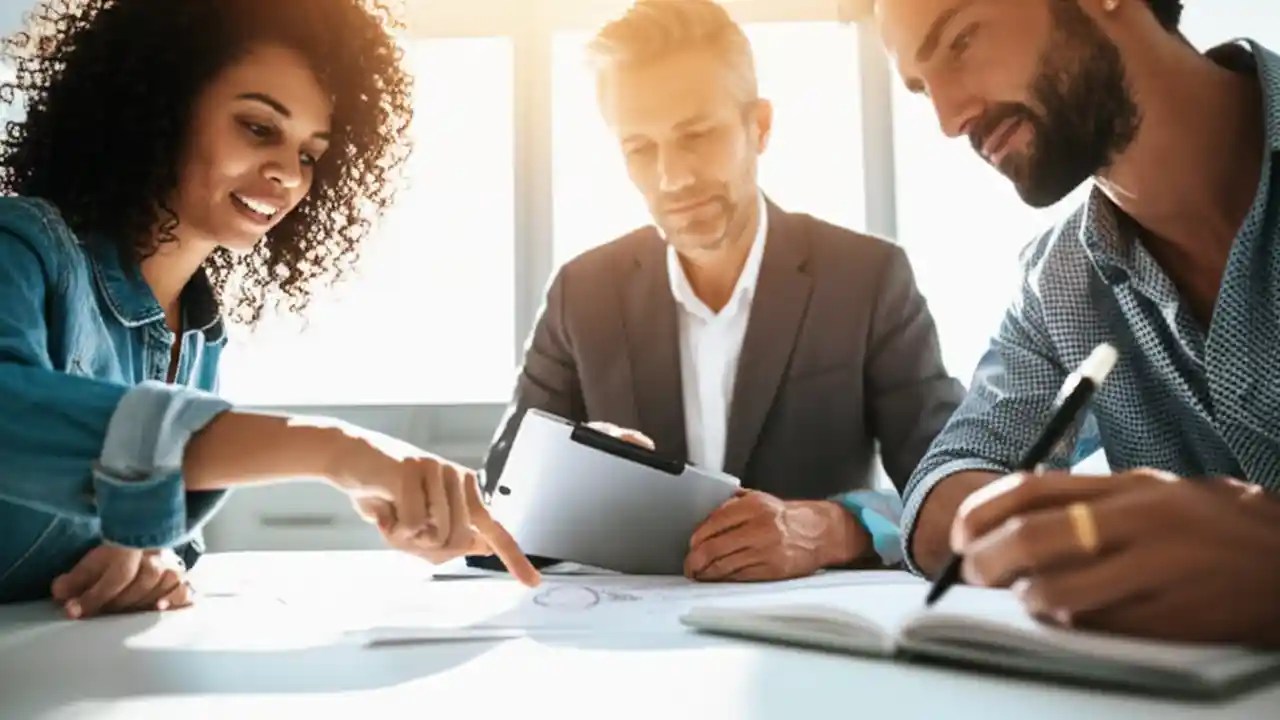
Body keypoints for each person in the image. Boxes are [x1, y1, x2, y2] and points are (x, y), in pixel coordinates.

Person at [0, 0, 539, 619]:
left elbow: (150, 532)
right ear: (160, 109)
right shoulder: (21, 247)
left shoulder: (200, 335)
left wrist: (158, 561)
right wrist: (336, 449)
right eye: (258, 128)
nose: (288, 173)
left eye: (310, 154)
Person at [478, 0, 963, 582]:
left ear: (759, 126)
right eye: (640, 148)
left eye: (697, 136)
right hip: (631, 625)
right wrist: (567, 468)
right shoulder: (582, 295)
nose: (672, 178)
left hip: (806, 623)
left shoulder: (867, 279)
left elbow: (954, 486)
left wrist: (834, 528)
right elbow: (496, 504)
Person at [875, 0, 1280, 646]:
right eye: (923, 90)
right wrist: (1068, 528)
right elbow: (942, 485)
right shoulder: (1056, 282)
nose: (949, 120)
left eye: (961, 41)